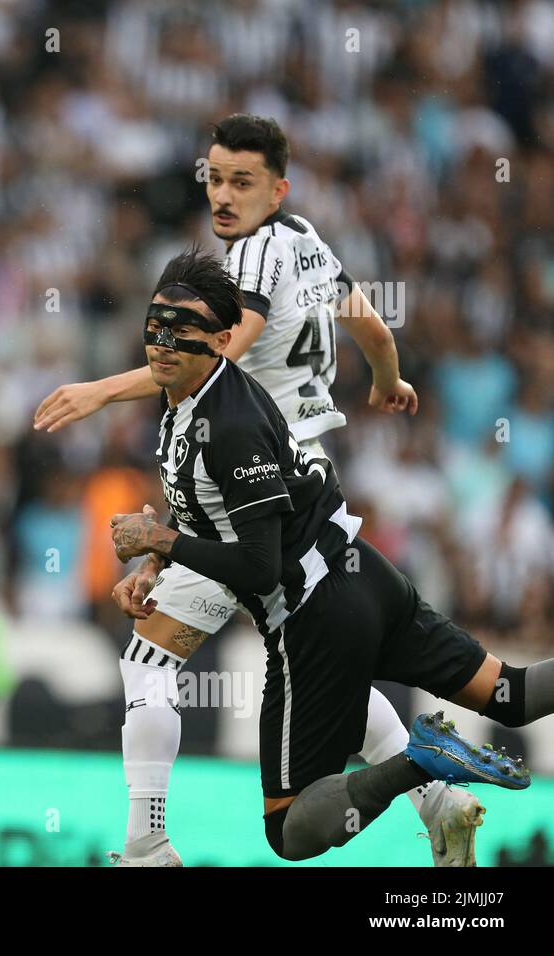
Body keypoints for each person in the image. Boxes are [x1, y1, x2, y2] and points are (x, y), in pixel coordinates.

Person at [34, 114, 477, 866]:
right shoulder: (307, 241)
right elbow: (369, 325)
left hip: (260, 492)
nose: (224, 194)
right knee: (315, 665)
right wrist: (390, 379)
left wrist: (101, 390)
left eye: (242, 181)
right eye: (213, 177)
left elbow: (214, 361)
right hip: (295, 485)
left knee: (147, 665)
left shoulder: (258, 257)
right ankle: (439, 798)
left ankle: (146, 847)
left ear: (279, 187)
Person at [108, 250, 546, 863]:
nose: (162, 340)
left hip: (313, 614)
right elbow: (200, 500)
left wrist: (159, 542)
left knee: (288, 833)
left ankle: (420, 764)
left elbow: (260, 567)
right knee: (511, 695)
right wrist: (157, 563)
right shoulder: (187, 390)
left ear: (224, 339)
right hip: (367, 578)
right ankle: (437, 795)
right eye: (155, 323)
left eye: (182, 330)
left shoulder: (229, 421)